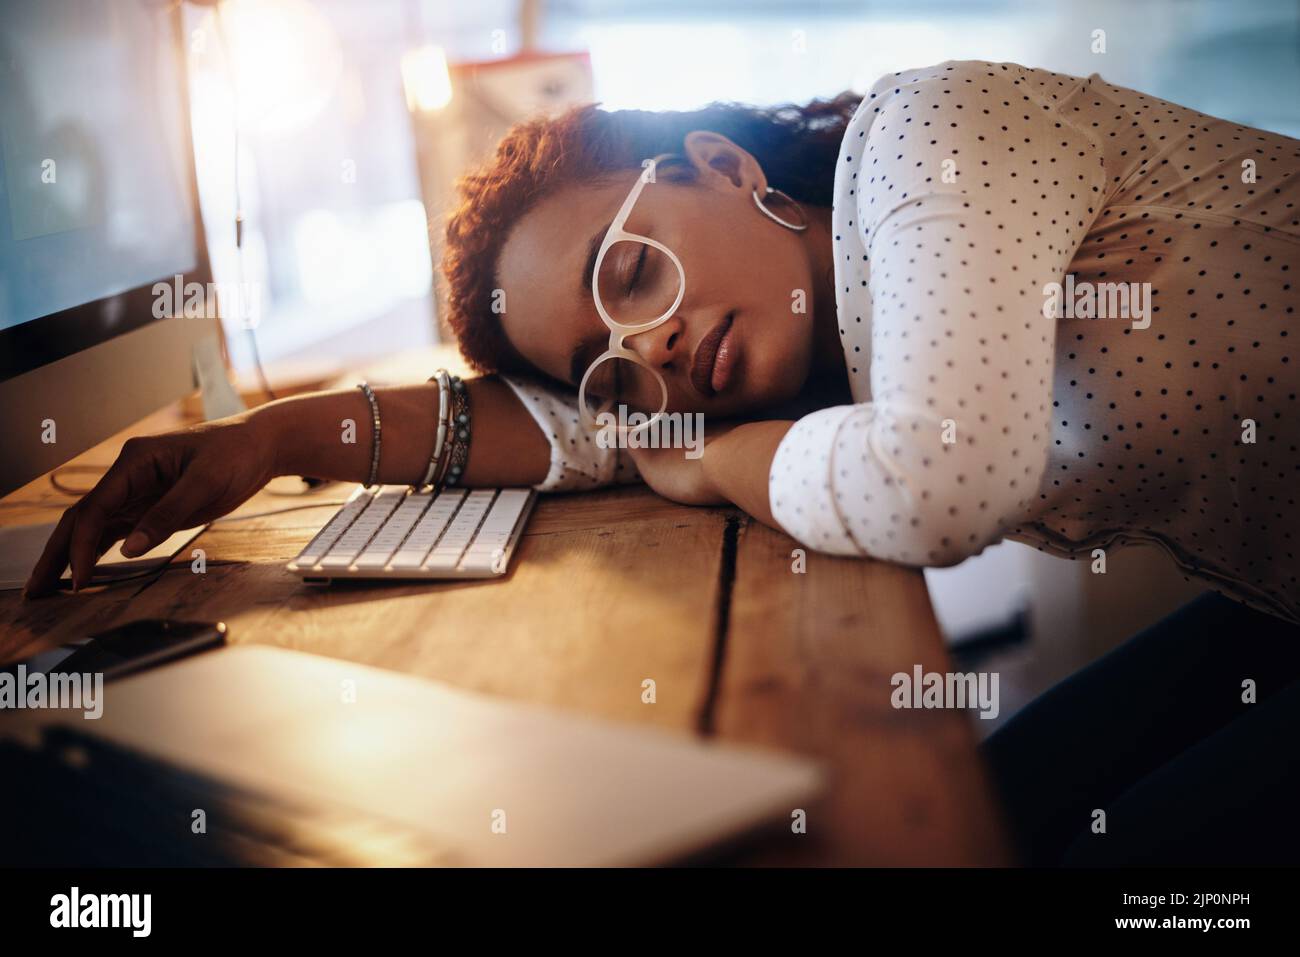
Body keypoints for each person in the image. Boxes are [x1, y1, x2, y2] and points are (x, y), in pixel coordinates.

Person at [22, 59, 1299, 861]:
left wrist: (713, 464)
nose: (656, 345)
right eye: (606, 356)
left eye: (629, 272)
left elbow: (941, 479)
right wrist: (275, 439)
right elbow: (592, 432)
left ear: (720, 166)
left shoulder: (932, 136)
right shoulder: (830, 338)